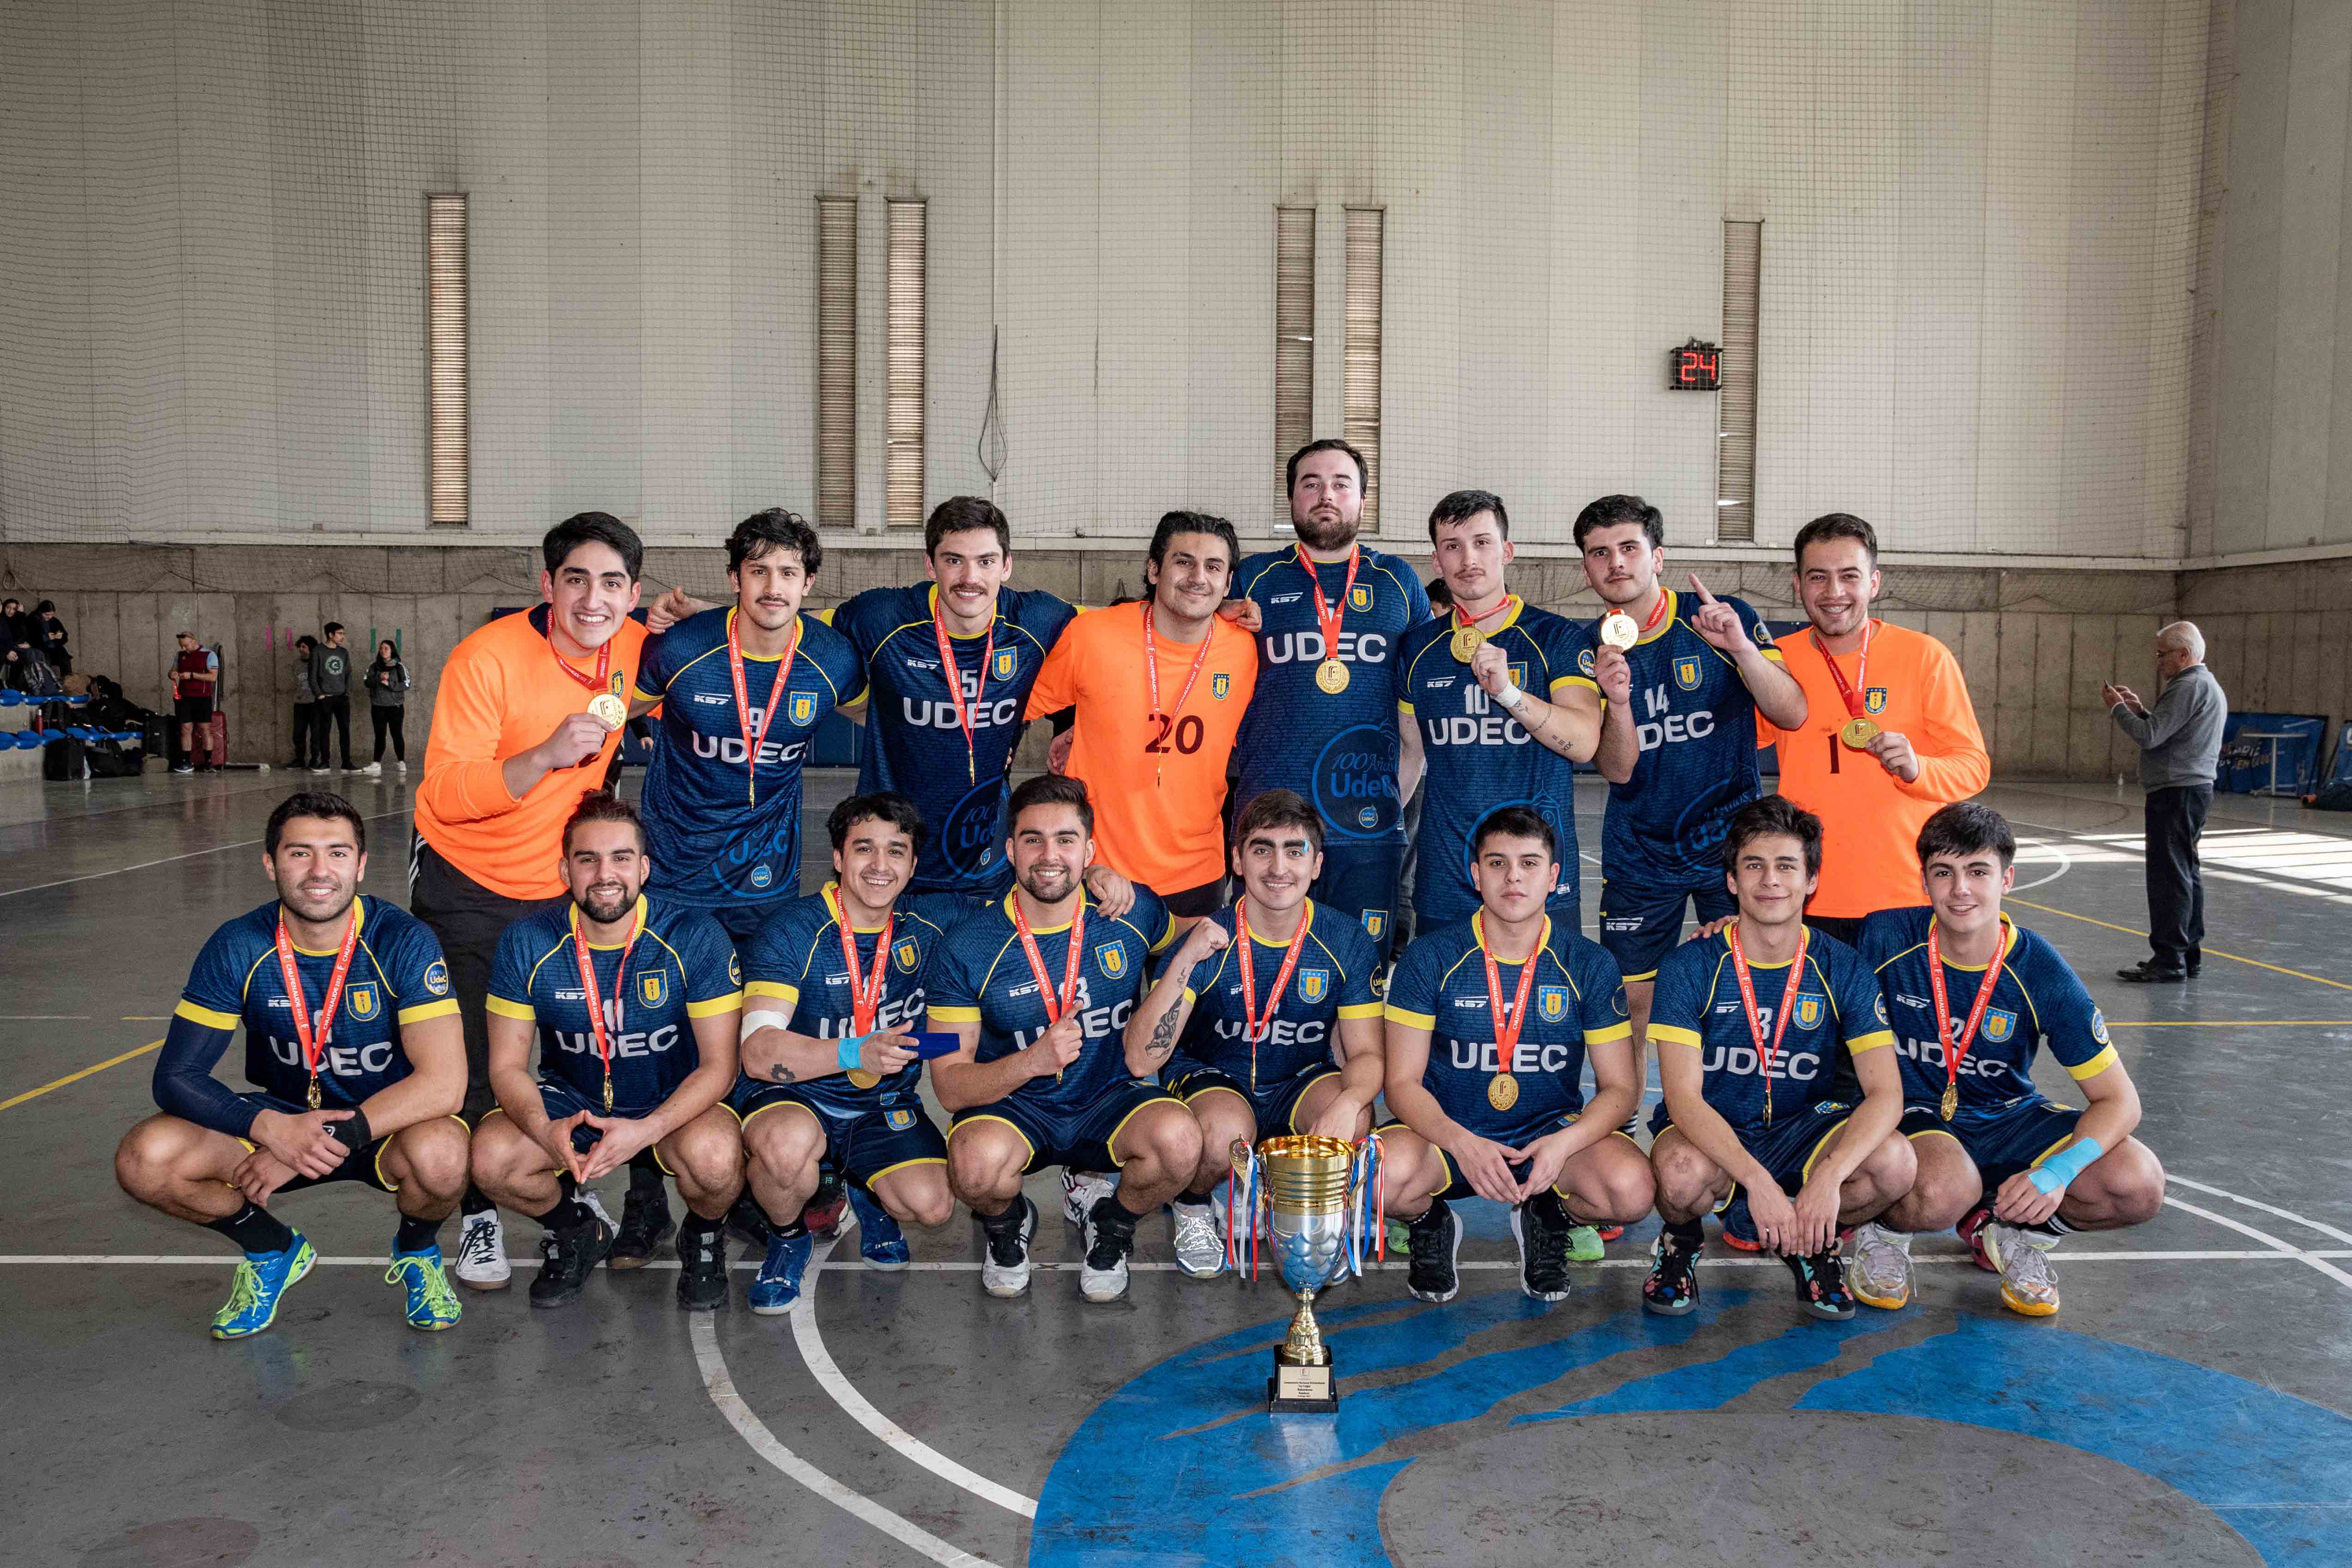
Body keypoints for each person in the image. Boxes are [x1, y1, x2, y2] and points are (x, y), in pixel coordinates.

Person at [112, 792, 468, 1338]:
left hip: (385, 1124)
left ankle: (418, 1251)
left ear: (362, 863)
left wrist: (324, 1138)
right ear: (270, 863)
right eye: (300, 853)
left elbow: (444, 1083)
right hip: (281, 1118)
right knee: (146, 1158)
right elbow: (176, 1077)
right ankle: (272, 1250)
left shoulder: (401, 940)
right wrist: (271, 1130)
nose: (320, 871)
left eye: (338, 852)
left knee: (444, 1154)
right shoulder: (239, 944)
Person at [413, 511, 650, 1290]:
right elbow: (445, 794)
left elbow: (666, 681)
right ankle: (479, 1219)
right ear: (547, 585)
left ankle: (596, 1188)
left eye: (611, 583)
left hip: (562, 892)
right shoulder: (484, 660)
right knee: (478, 1066)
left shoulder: (633, 646)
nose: (592, 600)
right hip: (469, 886)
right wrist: (544, 756)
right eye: (576, 580)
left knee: (574, 1053)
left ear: (633, 594)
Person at [1856, 803, 2166, 1316]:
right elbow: (1795, 957)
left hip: (2007, 1116)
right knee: (1943, 1189)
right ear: (1923, 882)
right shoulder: (1883, 937)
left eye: (1977, 871)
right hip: (1914, 1116)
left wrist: (2056, 1174)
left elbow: (2119, 1100)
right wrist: (1733, 930)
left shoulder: (2039, 968)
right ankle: (1883, 1232)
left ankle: (2019, 1231)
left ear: (2007, 879)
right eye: (1943, 872)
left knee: (2137, 1182)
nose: (1960, 889)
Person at [1639, 797, 1913, 1321]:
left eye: (1787, 865)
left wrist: (1829, 1176)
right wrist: (1759, 1183)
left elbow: (1886, 1093)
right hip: (1716, 1127)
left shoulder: (1843, 966)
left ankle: (1813, 1240)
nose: (1770, 880)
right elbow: (1681, 1097)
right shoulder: (1689, 964)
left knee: (1894, 1162)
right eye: (1754, 865)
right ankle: (1680, 1240)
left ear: (1811, 879)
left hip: (1806, 1130)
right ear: (1731, 880)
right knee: (1676, 1170)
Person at [470, 794, 747, 1310]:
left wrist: (649, 1128)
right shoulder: (527, 941)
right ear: (564, 870)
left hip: (673, 1099)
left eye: (621, 857)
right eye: (587, 858)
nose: (605, 873)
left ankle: (703, 1236)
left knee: (715, 1159)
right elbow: (507, 1067)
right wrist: (543, 1128)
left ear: (644, 868)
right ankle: (576, 1230)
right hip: (574, 1098)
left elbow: (720, 1066)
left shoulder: (694, 936)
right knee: (491, 1159)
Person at [1579, 494, 1806, 1116]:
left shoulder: (1719, 616)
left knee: (1739, 989)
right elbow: (1618, 769)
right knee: (1633, 1004)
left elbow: (1791, 710)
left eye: (1629, 548)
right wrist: (1617, 699)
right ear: (1586, 569)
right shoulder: (1587, 647)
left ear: (1658, 555)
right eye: (1599, 552)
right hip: (1638, 854)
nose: (1615, 562)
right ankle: (1620, 1124)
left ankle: (1736, 1124)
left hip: (1731, 854)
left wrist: (1741, 649)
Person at [926, 775, 1193, 1303]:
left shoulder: (1131, 910)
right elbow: (950, 1086)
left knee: (1182, 1142)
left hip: (1108, 1099)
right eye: (1033, 839)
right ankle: (1007, 1224)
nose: (1049, 855)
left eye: (1066, 840)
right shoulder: (966, 946)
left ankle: (1112, 1225)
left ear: (1089, 850)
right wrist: (1032, 1060)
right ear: (1010, 850)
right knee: (972, 1168)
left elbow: (1198, 932)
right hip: (1016, 1106)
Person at [1378, 808, 1654, 1304]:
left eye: (1529, 863)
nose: (1512, 877)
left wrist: (1565, 1143)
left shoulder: (1588, 962)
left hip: (1546, 1134)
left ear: (1552, 877)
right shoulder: (1431, 957)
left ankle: (1547, 1216)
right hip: (1445, 1131)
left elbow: (1620, 1088)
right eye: (1497, 862)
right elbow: (1400, 1083)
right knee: (1376, 1177)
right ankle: (1429, 1221)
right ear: (1475, 873)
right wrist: (1461, 1142)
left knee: (1631, 1189)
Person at [1124, 788, 1385, 1277]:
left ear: (1317, 864)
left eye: (1294, 850)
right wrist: (1183, 958)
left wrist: (1347, 1104)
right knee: (1223, 1130)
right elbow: (1141, 1061)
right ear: (1238, 861)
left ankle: (1306, 1214)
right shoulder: (1204, 937)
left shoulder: (1344, 938)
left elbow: (1368, 1054)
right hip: (1213, 1077)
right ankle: (1194, 1203)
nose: (1277, 867)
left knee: (1354, 1113)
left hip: (1299, 1077)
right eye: (1261, 849)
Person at [733, 792, 967, 1311]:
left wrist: (1100, 878)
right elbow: (757, 1050)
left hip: (879, 1103)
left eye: (896, 851)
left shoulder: (932, 923)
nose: (879, 866)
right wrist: (854, 1051)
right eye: (864, 849)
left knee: (931, 1204)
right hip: (795, 1096)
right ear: (838, 858)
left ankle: (865, 1187)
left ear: (912, 865)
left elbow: (1035, 896)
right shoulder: (792, 931)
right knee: (786, 1148)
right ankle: (787, 1236)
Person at [1225, 440, 1432, 962]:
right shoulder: (1252, 579)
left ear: (1363, 499)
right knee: (1265, 968)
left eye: (1341, 483)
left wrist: (1391, 799)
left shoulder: (1398, 583)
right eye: (1310, 483)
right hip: (1267, 819)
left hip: (1367, 823)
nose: (1325, 495)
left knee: (1359, 974)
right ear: (1291, 498)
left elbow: (1423, 706)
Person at [826, 496, 1081, 902]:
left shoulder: (1037, 621)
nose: (969, 577)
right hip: (887, 856)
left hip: (984, 855)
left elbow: (1119, 637)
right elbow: (790, 633)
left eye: (985, 561)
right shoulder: (883, 618)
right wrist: (712, 617)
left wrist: (1071, 726)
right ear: (930, 565)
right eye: (953, 560)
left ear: (1007, 565)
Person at [626, 509, 864, 939]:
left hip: (766, 878)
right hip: (674, 871)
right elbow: (616, 713)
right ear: (736, 579)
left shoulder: (832, 660)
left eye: (788, 572)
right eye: (759, 571)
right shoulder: (682, 648)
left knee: (759, 1004)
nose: (774, 588)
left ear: (807, 582)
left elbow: (886, 721)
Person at [1761, 514, 1989, 945]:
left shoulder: (1924, 657)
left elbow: (1973, 767)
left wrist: (1918, 769)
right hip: (1803, 894)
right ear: (1797, 585)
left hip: (1904, 895)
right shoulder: (1774, 661)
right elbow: (1726, 746)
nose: (1833, 593)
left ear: (1874, 582)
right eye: (1817, 577)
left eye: (1849, 576)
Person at [1024, 512, 1258, 920]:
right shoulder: (1092, 635)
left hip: (1196, 874)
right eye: (1183, 561)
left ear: (1226, 583)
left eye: (1213, 567)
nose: (1197, 577)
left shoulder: (1244, 650)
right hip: (1100, 870)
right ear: (1154, 569)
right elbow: (1013, 710)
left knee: (1182, 986)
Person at [1397, 489, 1602, 938]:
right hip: (1446, 876)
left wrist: (1509, 693)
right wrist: (1377, 837)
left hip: (1534, 875)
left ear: (1506, 551)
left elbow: (1585, 739)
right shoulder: (1417, 648)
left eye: (1482, 542)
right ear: (1436, 561)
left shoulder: (1556, 638)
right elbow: (1410, 754)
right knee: (1447, 1003)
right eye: (1452, 546)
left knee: (1540, 1005)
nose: (1467, 557)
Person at [2106, 621, 2227, 983]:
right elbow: (2165, 729)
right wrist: (2141, 709)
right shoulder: (2204, 685)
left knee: (2167, 877)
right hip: (2190, 790)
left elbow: (2149, 736)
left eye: (2162, 654)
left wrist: (2118, 710)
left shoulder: (2187, 686)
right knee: (2185, 872)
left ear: (2184, 654)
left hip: (2176, 792)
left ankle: (2168, 958)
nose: (2158, 661)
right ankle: (2187, 954)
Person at [169, 630, 219, 775]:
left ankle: (209, 761)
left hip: (202, 698)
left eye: (186, 646)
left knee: (206, 730)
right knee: (185, 728)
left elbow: (213, 677)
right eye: (181, 646)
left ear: (193, 641)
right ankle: (186, 761)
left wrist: (192, 675)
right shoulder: (180, 656)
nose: (184, 649)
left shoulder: (209, 655)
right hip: (184, 698)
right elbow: (173, 669)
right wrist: (172, 674)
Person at [309, 623, 355, 773]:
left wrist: (346, 692)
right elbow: (312, 676)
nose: (342, 637)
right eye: (340, 633)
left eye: (343, 634)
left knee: (345, 731)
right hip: (325, 698)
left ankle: (347, 762)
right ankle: (325, 762)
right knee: (324, 731)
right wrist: (320, 695)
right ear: (331, 635)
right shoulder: (318, 651)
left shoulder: (343, 652)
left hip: (342, 698)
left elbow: (348, 674)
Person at [365, 638, 411, 775]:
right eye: (381, 649)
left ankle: (401, 762)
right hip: (378, 707)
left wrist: (390, 684)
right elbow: (367, 683)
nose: (383, 651)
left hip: (395, 707)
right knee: (380, 735)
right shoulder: (374, 667)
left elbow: (407, 684)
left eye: (386, 648)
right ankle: (376, 763)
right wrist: (379, 679)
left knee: (397, 734)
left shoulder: (400, 667)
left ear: (392, 651)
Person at [289, 635, 318, 773]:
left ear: (311, 649)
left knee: (316, 733)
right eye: (300, 647)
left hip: (315, 703)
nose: (301, 650)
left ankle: (314, 760)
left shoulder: (317, 662)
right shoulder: (296, 664)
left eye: (304, 647)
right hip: (300, 703)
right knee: (298, 733)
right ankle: (300, 759)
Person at [36, 600, 69, 675]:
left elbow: (65, 635)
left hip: (54, 648)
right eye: (47, 615)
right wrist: (47, 638)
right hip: (41, 648)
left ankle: (67, 677)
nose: (50, 617)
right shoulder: (34, 620)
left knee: (62, 655)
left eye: (52, 615)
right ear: (40, 612)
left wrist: (60, 637)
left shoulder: (54, 621)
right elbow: (32, 637)